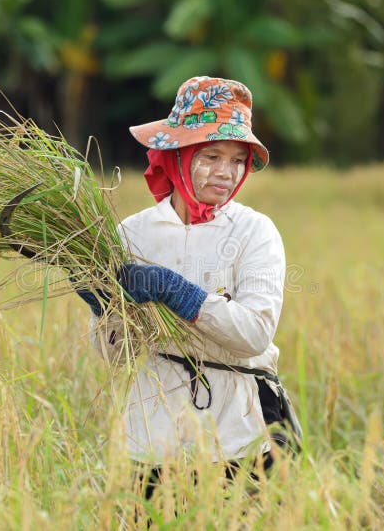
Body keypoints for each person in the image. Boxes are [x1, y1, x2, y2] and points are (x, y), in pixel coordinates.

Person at [80, 76, 301, 492]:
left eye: (238, 160)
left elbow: (255, 334)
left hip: (238, 434)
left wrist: (176, 292)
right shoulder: (133, 234)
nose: (226, 172)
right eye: (212, 155)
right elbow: (114, 355)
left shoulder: (255, 232)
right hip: (151, 435)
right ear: (178, 156)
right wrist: (104, 310)